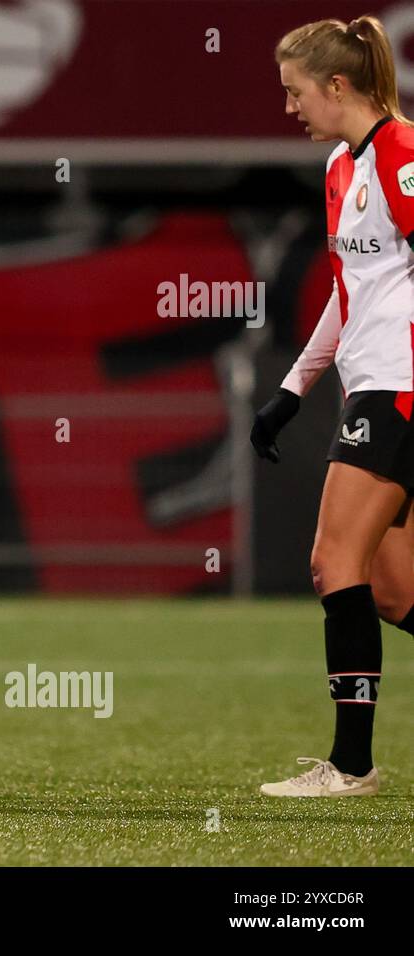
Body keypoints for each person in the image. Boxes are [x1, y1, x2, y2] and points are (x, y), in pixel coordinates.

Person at [252, 16, 414, 797]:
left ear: (338, 86)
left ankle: (351, 767)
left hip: (402, 389)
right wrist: (290, 393)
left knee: (331, 563)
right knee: (394, 593)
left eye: (295, 92)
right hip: (373, 386)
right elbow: (349, 298)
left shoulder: (402, 155)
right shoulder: (339, 168)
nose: (290, 107)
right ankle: (352, 764)